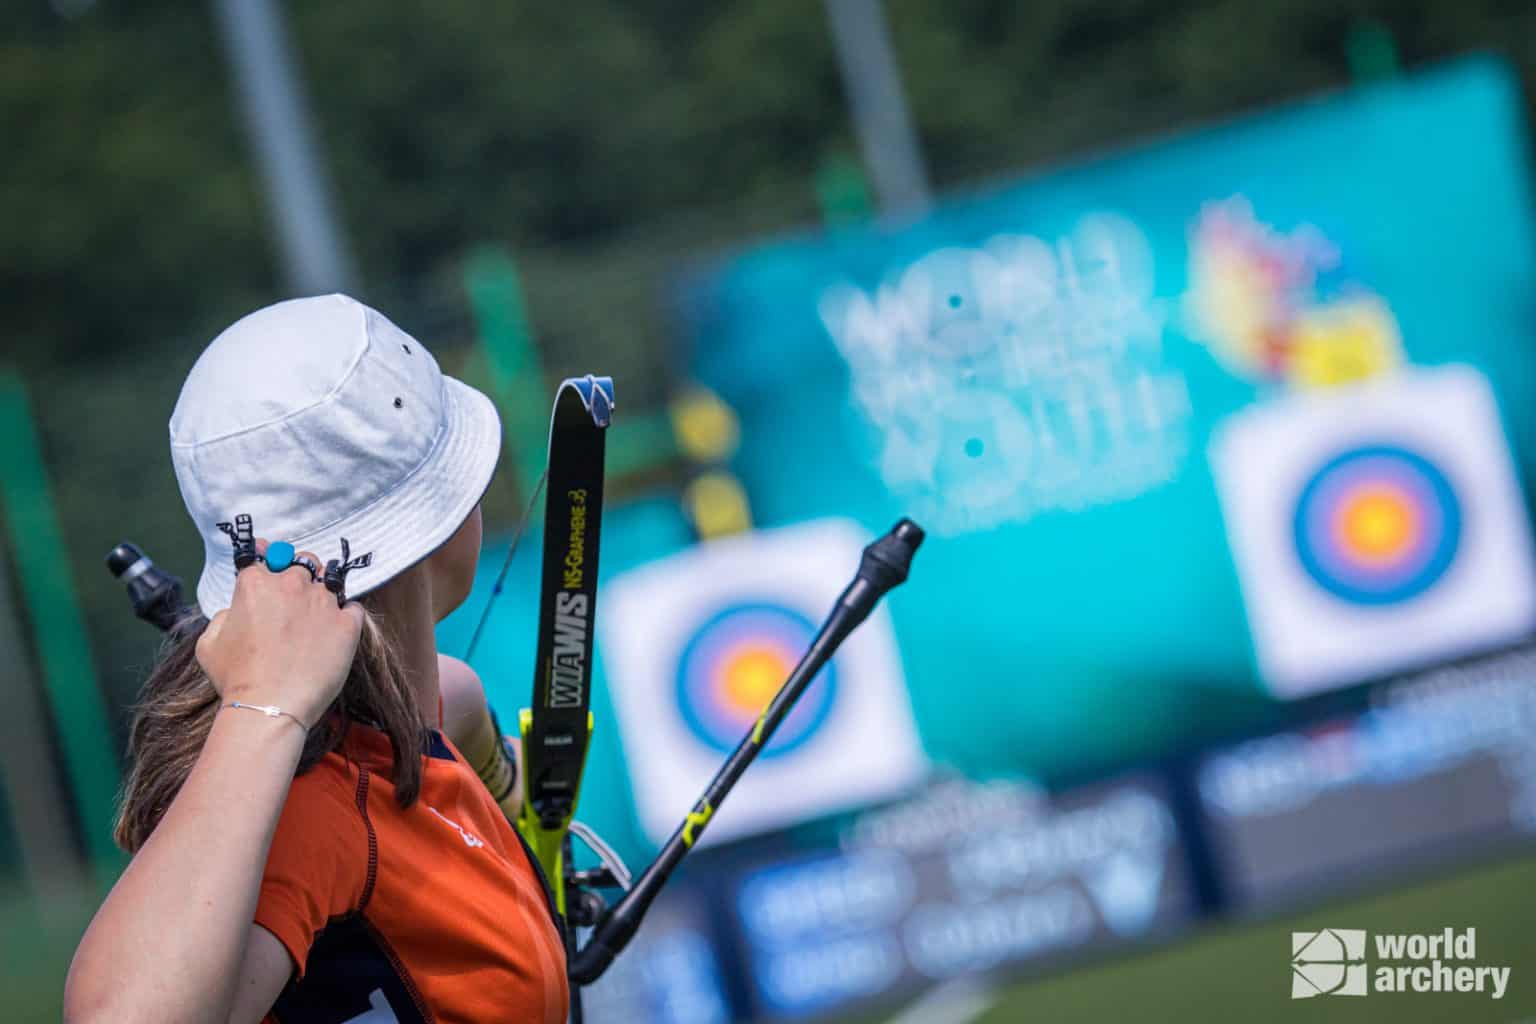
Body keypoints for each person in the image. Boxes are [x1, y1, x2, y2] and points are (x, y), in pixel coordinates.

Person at [63, 295, 569, 1024]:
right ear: (439, 517)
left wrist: (513, 794)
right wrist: (262, 705)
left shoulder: (400, 723)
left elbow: (450, 706)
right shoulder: (309, 801)